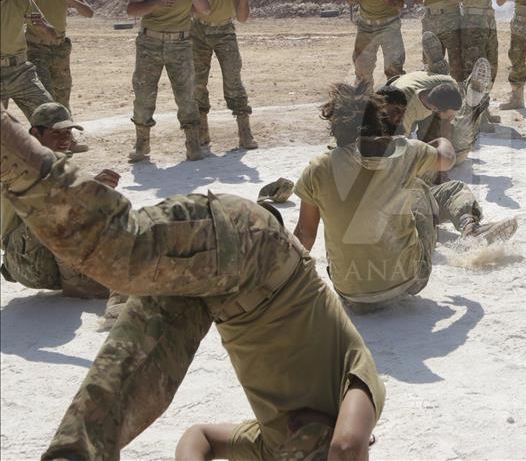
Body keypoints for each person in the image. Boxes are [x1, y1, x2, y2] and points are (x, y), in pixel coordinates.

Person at [0, 107, 385, 461]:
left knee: (134, 383)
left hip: (213, 295)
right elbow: (347, 444)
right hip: (257, 253)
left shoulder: (271, 446)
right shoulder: (360, 385)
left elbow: (199, 437)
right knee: (118, 252)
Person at [292, 83, 517, 313]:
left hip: (350, 293)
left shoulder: (318, 168)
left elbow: (305, 234)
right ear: (377, 117)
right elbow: (447, 159)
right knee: (419, 188)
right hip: (408, 280)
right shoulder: (405, 149)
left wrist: (287, 287)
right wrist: (441, 141)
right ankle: (470, 227)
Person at [0, 103, 114, 303]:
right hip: (25, 261)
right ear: (36, 134)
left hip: (42, 258)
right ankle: (80, 285)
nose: (65, 139)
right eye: (57, 133)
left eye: (68, 133)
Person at [126, 0, 211, 162]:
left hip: (180, 45)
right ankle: (141, 144)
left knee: (187, 96)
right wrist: (153, 4)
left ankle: (193, 144)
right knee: (144, 95)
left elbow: (205, 9)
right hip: (149, 44)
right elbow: (131, 10)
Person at [20, 0, 95, 153]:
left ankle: (66, 141)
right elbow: (20, 3)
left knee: (62, 97)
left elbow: (89, 13)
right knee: (45, 99)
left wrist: (69, 0)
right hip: (37, 50)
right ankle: (45, 146)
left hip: (60, 50)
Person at [191, 0, 258, 151]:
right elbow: (188, 10)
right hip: (199, 32)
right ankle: (202, 131)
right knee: (197, 81)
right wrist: (206, 0)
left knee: (233, 79)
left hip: (224, 32)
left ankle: (244, 132)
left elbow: (243, 18)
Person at [384, 58, 492, 163]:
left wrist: (444, 153)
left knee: (446, 154)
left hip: (416, 84)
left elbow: (445, 125)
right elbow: (401, 145)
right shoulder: (405, 111)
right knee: (450, 156)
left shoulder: (449, 85)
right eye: (449, 116)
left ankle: (438, 66)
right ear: (435, 110)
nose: (451, 119)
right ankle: (438, 67)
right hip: (396, 100)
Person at [0, 0, 56, 120]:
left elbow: (52, 35)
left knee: (52, 116)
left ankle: (65, 142)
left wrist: (43, 27)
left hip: (20, 72)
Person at [457, 0, 502, 128]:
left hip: (488, 21)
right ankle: (474, 115)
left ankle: (483, 109)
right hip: (472, 22)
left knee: (490, 66)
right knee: (475, 68)